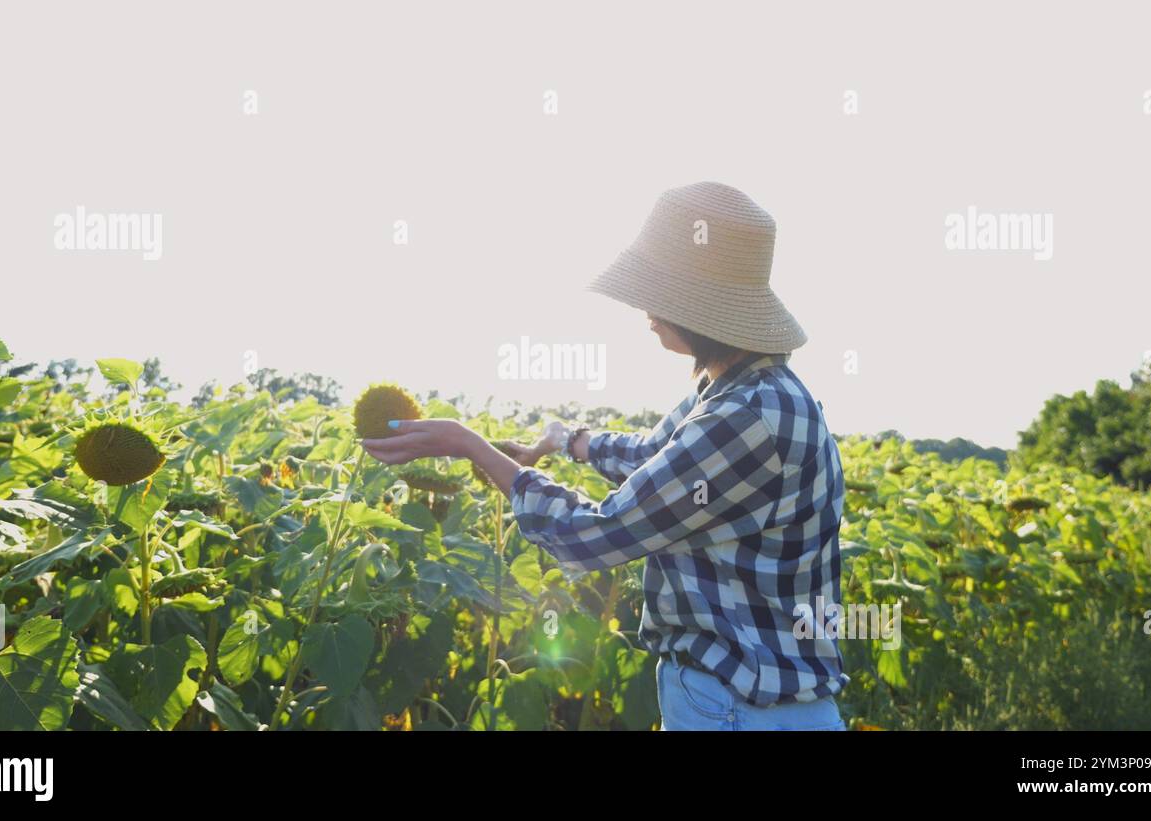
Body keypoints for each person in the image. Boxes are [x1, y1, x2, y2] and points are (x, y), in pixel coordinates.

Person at [362, 181, 848, 730]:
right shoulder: (745, 391)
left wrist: (466, 444)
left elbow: (594, 535)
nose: (644, 308)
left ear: (703, 306)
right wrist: (563, 440)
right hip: (767, 704)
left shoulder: (745, 419)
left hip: (740, 708)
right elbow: (652, 456)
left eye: (658, 291)